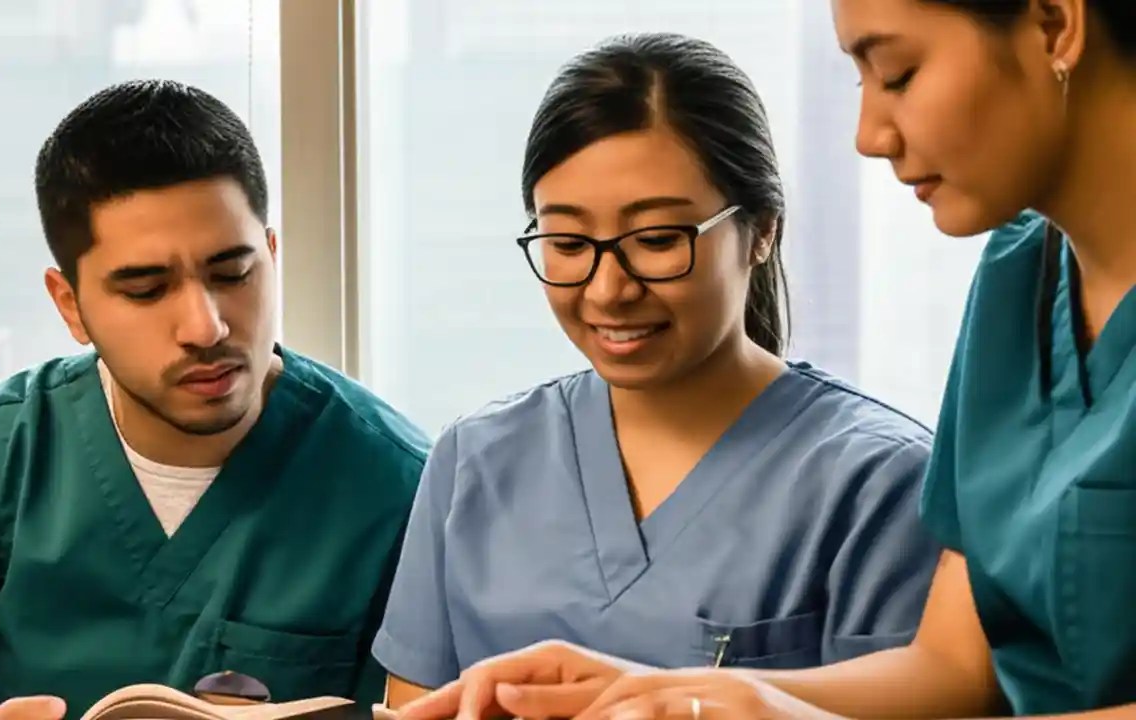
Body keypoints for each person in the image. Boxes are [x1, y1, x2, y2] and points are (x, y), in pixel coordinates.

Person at [392, 1, 1136, 718]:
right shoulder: (1016, 276)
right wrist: (691, 696)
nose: (868, 135)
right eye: (569, 243)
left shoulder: (868, 472)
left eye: (899, 73)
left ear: (1053, 23)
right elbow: (955, 668)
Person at [372, 32, 941, 710]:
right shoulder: (473, 460)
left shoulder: (878, 483)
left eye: (657, 240)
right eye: (568, 243)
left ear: (762, 230)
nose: (609, 289)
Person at [0, 80, 430, 720]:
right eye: (146, 289)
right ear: (70, 304)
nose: (205, 326)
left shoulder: (398, 483)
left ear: (272, 256)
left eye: (233, 274)